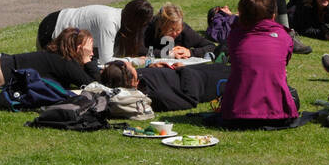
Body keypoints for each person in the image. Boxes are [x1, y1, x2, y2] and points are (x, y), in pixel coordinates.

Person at [217, 0, 301, 128]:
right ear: (273, 15)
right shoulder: (284, 37)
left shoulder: (235, 37)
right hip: (277, 115)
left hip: (236, 114)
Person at [37, 0, 153, 65]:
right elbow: (106, 60)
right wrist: (136, 61)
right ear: (135, 21)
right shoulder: (109, 23)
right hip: (50, 33)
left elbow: (123, 52)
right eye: (142, 26)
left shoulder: (119, 17)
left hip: (55, 22)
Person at [99, 57, 232, 112]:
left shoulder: (133, 78)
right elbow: (190, 101)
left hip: (195, 72)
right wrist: (184, 71)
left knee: (226, 65)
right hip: (205, 83)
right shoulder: (155, 94)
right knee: (239, 74)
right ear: (132, 81)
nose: (133, 66)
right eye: (131, 68)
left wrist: (153, 67)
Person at [143, 3, 219, 59]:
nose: (175, 33)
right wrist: (166, 53)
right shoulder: (149, 27)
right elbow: (137, 49)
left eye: (178, 29)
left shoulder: (185, 31)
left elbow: (211, 46)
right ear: (161, 26)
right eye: (171, 30)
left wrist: (190, 52)